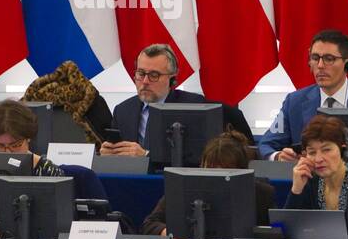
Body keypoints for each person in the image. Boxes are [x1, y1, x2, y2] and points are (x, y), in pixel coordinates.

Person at [257, 30, 348, 159]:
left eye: (329, 59)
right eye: (315, 57)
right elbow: (265, 145)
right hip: (309, 181)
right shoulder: (294, 102)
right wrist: (277, 156)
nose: (320, 65)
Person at [100, 44, 253, 157]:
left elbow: (199, 156)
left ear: (172, 79)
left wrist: (147, 155)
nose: (145, 81)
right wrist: (109, 154)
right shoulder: (123, 110)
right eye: (140, 73)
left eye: (154, 75)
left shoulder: (195, 107)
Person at [140, 132, 275, 237]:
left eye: (224, 172)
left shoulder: (261, 193)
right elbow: (150, 224)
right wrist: (165, 232)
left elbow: (274, 234)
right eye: (210, 169)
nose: (216, 177)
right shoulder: (184, 186)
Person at [0, 99, 108, 201]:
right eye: (0, 145)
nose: (7, 152)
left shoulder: (51, 174)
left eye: (15, 145)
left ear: (28, 138)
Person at [284, 114, 348, 210]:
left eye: (326, 150)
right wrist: (296, 190)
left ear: (342, 150)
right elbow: (286, 224)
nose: (318, 159)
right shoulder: (308, 182)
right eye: (312, 152)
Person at [22, 60, 114, 143]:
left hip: (40, 157)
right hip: (93, 158)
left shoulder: (29, 104)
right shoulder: (94, 101)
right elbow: (110, 143)